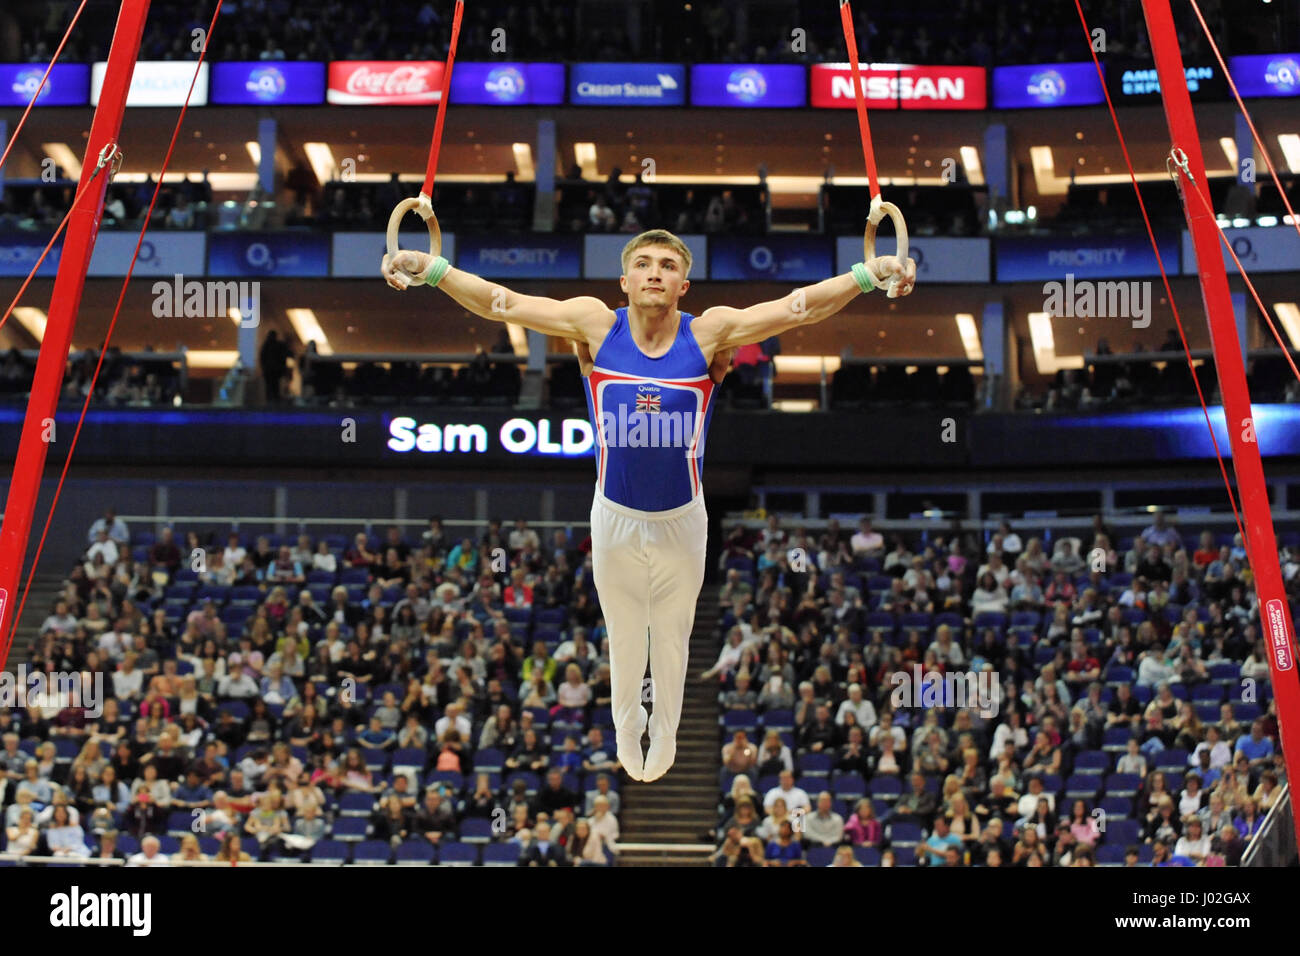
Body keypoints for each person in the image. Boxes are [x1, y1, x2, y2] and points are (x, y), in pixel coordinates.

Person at [384, 229, 915, 782]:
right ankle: (624, 723)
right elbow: (504, 304)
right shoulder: (595, 323)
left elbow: (796, 309)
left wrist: (865, 276)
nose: (654, 272)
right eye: (643, 264)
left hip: (682, 519)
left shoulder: (710, 333)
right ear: (625, 280)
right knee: (624, 632)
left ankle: (665, 729)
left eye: (666, 265)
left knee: (671, 635)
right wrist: (433, 269)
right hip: (613, 514)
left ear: (684, 284)